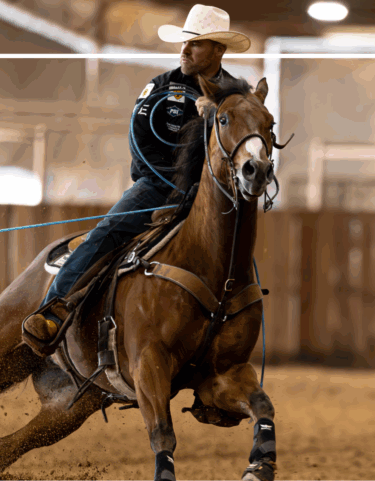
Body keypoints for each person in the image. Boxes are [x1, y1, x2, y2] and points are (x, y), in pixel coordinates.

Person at [22, 4, 251, 349]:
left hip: (212, 198)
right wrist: (177, 185)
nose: (185, 50)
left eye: (197, 44)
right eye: (185, 42)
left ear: (219, 50)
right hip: (158, 188)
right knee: (107, 232)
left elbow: (246, 147)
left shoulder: (237, 97)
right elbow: (140, 142)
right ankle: (51, 314)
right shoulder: (161, 88)